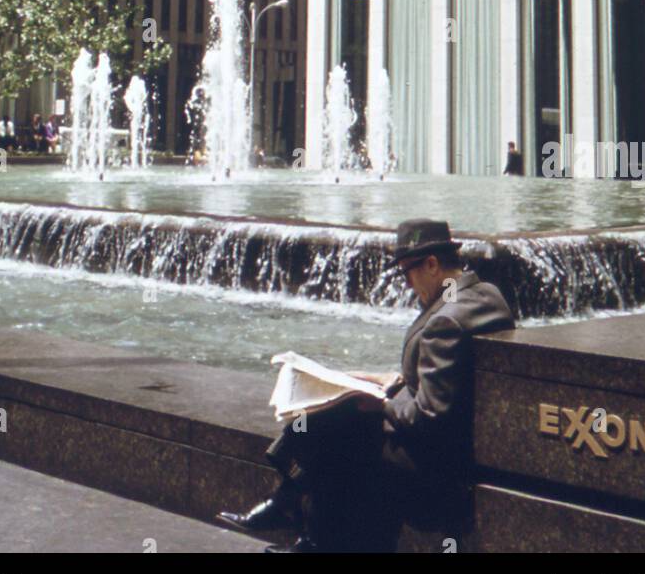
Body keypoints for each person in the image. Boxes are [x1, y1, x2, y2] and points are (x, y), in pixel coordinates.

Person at [219, 218, 515, 553]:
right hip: (470, 448)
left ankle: (297, 515)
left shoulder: (445, 320)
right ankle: (299, 522)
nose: (406, 284)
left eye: (407, 272)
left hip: (437, 468)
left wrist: (382, 404)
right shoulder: (486, 294)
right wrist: (391, 381)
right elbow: (448, 376)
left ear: (431, 264)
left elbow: (430, 415)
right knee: (344, 415)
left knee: (341, 428)